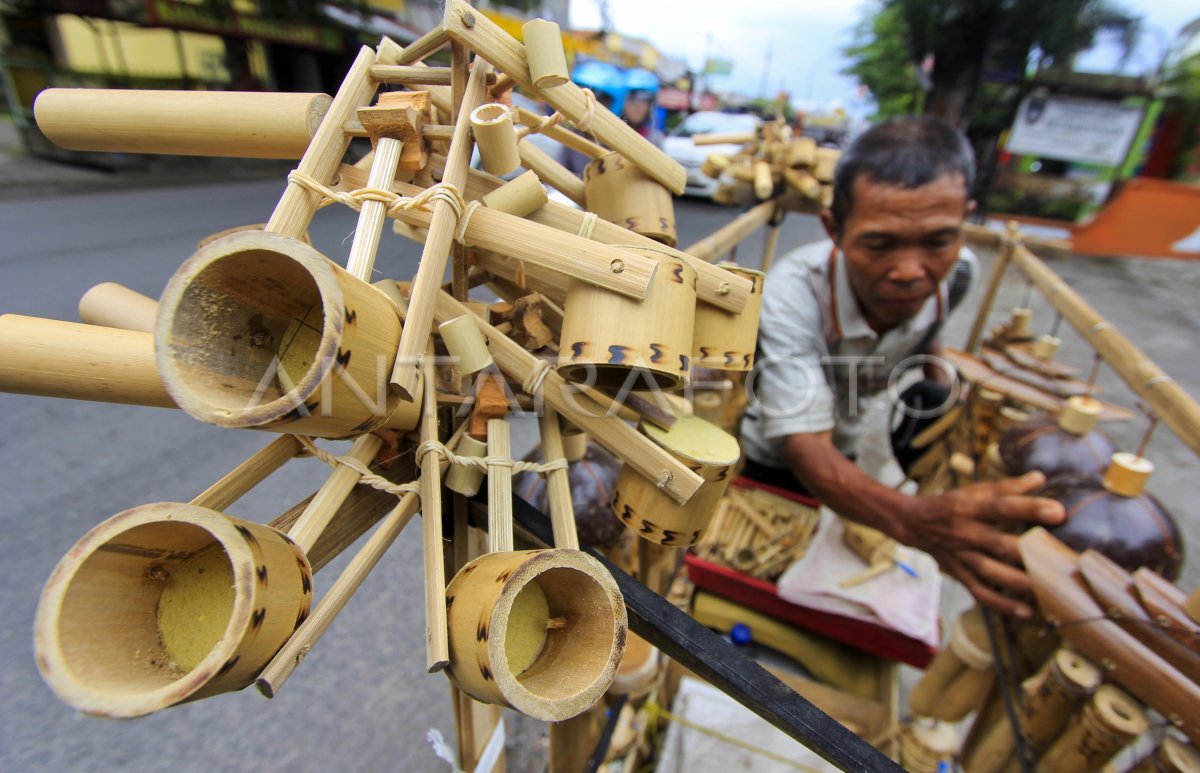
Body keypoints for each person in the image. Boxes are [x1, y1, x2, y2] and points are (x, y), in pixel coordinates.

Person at [739, 116, 1065, 619]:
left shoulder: (958, 274)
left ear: (965, 220)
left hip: (845, 451)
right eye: (881, 244)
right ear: (834, 229)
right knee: (766, 581)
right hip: (777, 459)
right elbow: (805, 449)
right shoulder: (791, 295)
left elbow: (929, 329)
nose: (912, 272)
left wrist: (943, 395)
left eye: (937, 241)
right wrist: (913, 520)